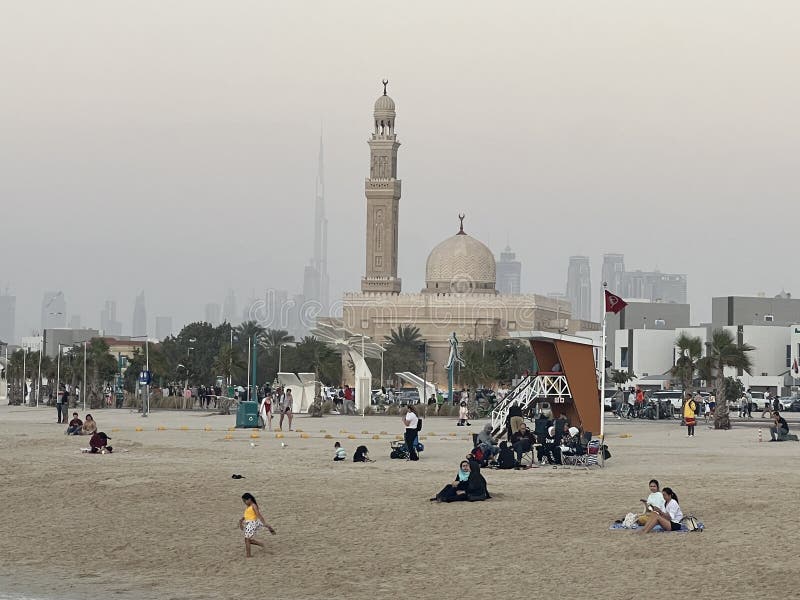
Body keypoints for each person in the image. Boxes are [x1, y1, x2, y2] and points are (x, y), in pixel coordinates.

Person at [238, 493, 275, 557]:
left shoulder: (253, 506)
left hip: (252, 523)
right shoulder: (248, 507)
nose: (244, 502)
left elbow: (258, 515)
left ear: (249, 499)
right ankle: (261, 544)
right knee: (247, 540)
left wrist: (264, 522)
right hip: (249, 523)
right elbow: (247, 515)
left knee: (247, 539)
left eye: (245, 501)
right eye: (243, 501)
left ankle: (248, 555)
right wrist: (241, 520)